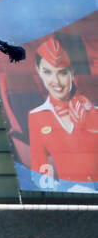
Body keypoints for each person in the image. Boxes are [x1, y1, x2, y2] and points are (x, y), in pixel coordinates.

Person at [26, 36, 98, 186]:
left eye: (63, 72)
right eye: (47, 72)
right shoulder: (36, 116)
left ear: (72, 72)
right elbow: (39, 171)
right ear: (38, 71)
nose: (56, 82)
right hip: (68, 194)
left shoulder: (94, 111)